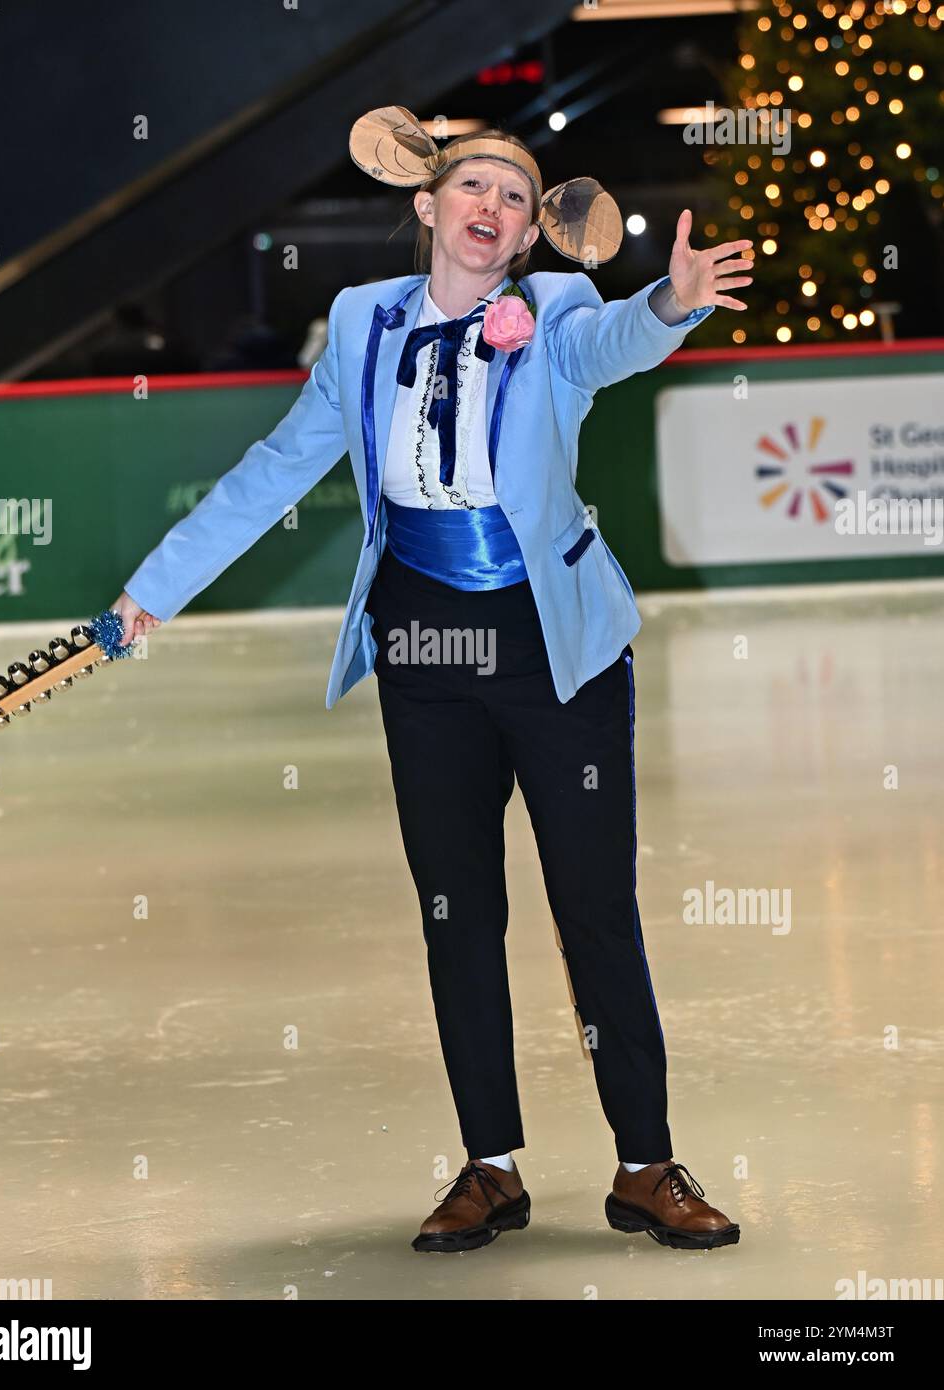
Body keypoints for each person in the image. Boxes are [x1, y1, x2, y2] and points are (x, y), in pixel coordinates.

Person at [114, 106, 753, 1255]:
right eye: (473, 189)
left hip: (552, 644)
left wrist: (671, 299)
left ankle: (643, 1163)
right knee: (457, 910)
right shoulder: (360, 322)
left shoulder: (551, 310)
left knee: (593, 908)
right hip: (421, 649)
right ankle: (489, 1165)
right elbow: (275, 471)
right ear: (426, 207)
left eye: (514, 200)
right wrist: (150, 591)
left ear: (524, 234)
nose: (491, 210)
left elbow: (612, 342)